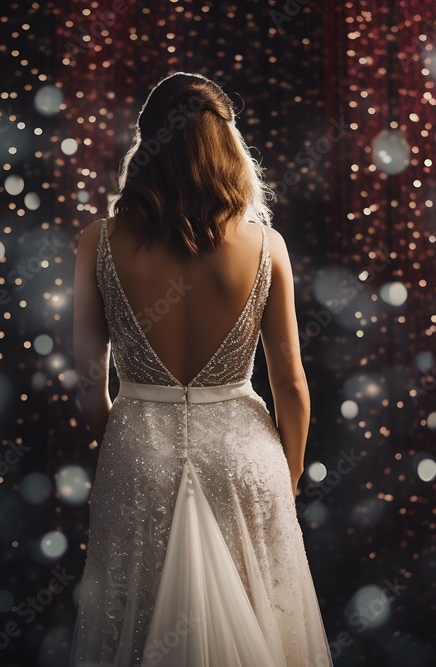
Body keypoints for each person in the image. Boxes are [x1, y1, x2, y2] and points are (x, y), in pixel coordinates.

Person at [70, 71, 333, 667]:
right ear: (227, 144)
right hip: (245, 460)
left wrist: (121, 444)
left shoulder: (98, 242)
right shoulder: (266, 247)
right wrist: (287, 475)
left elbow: (88, 385)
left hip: (140, 454)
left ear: (146, 145)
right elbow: (290, 384)